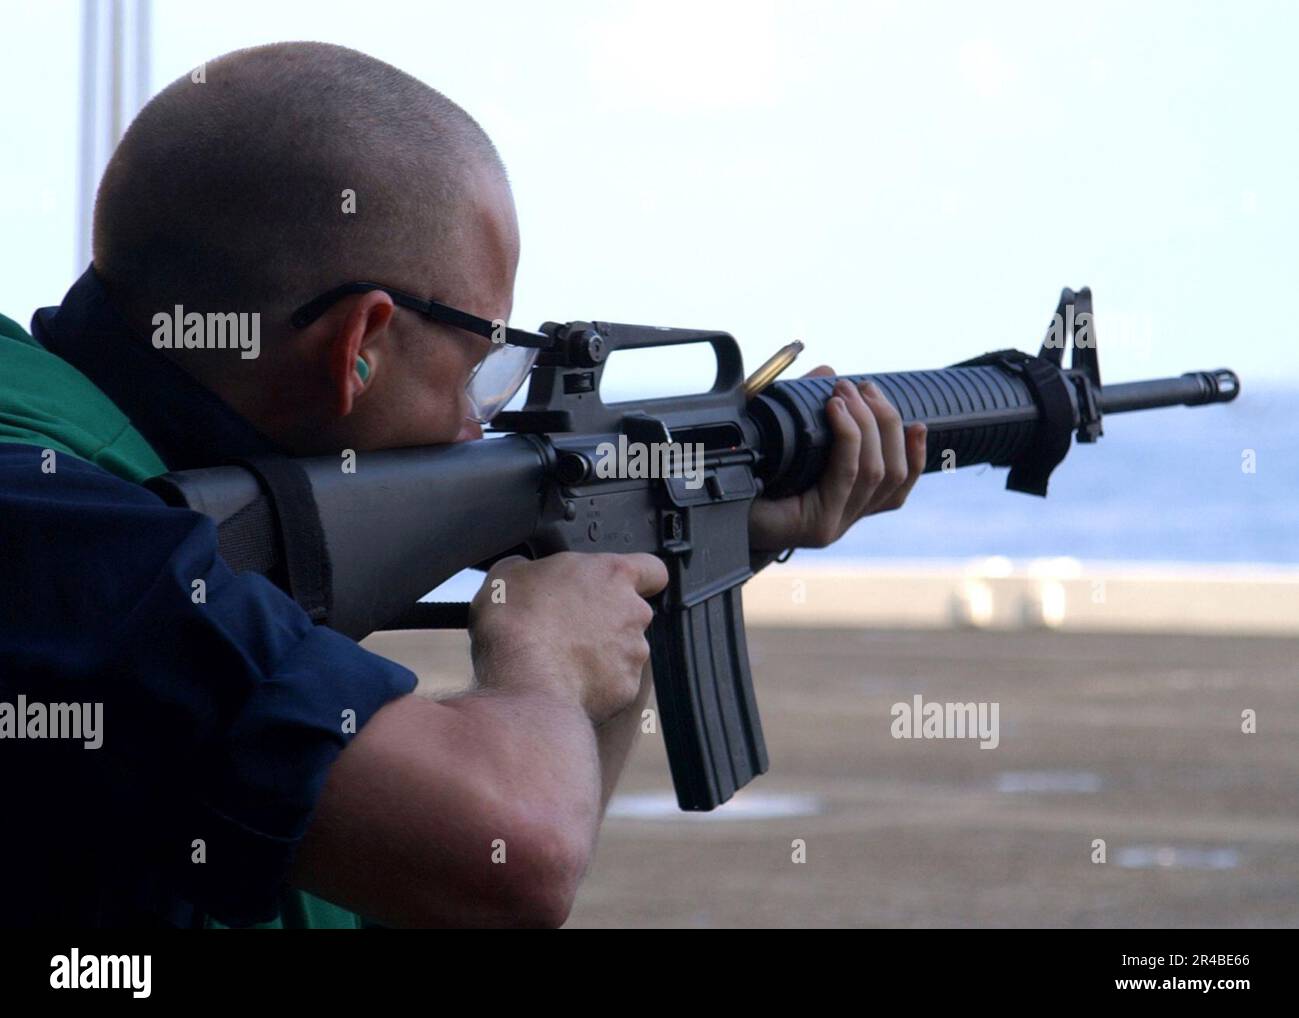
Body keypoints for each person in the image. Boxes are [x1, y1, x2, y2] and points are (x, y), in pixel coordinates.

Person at [0, 41, 927, 928]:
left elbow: (463, 892)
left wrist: (652, 555)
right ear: (360, 348)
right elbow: (512, 852)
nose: (480, 423)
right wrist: (545, 665)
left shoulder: (132, 501)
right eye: (486, 368)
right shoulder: (50, 527)